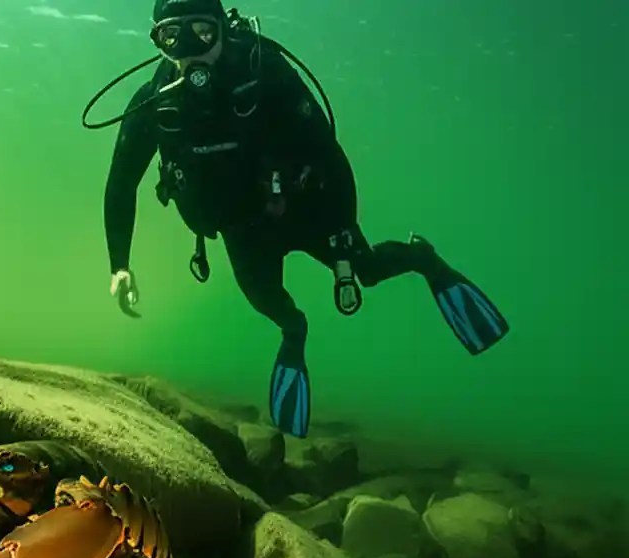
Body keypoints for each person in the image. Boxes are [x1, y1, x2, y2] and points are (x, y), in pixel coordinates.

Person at [88, 0, 509, 438]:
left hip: (306, 209)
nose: (191, 50)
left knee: (365, 269)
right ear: (158, 42)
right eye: (174, 37)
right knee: (270, 304)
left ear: (222, 31)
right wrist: (119, 263)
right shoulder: (152, 105)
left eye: (202, 32)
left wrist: (344, 229)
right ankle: (295, 332)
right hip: (241, 228)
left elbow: (330, 153)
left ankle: (423, 259)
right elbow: (121, 184)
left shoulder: (266, 74)